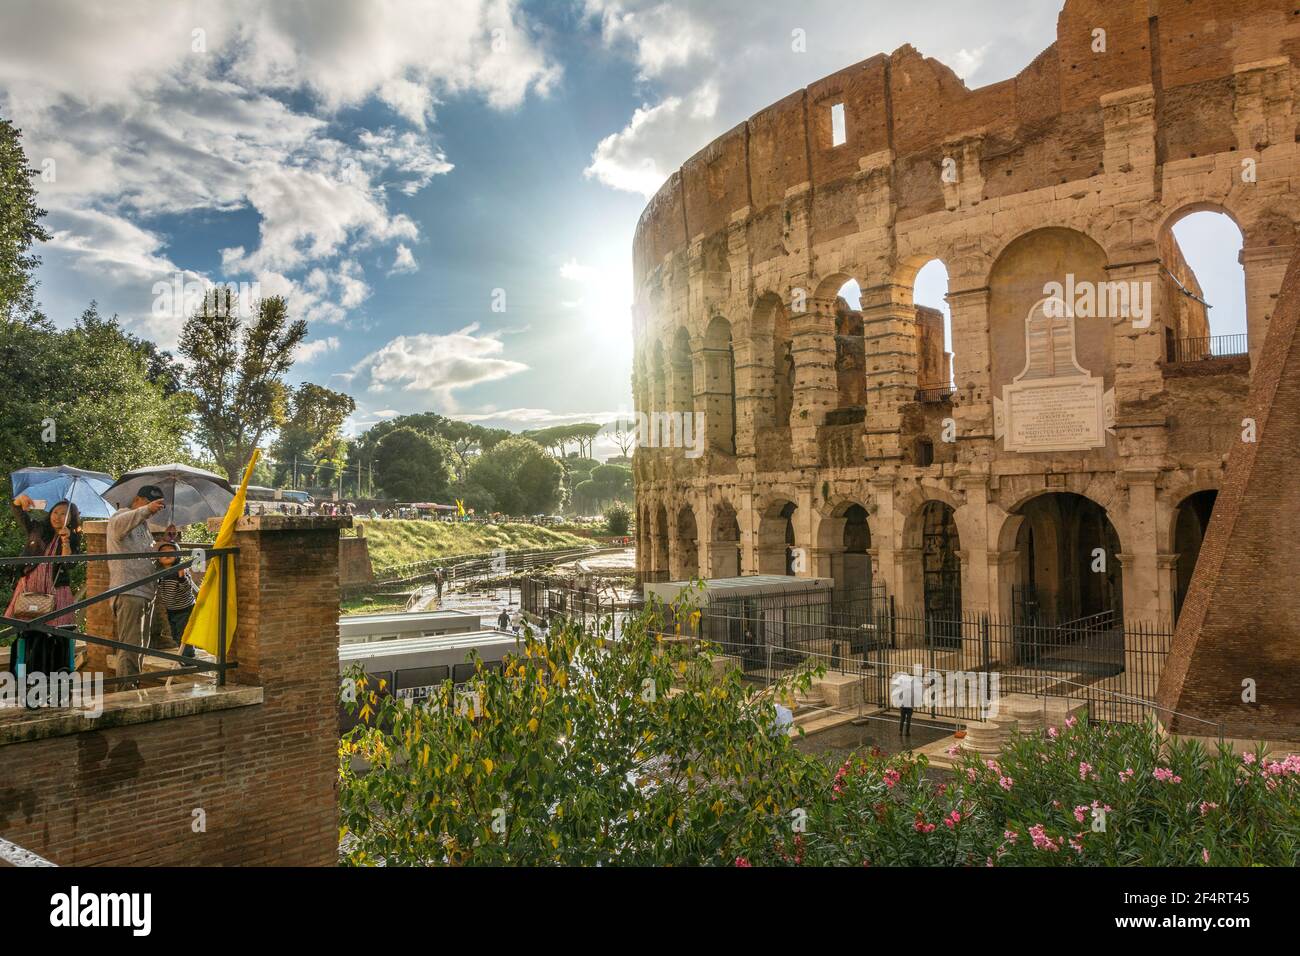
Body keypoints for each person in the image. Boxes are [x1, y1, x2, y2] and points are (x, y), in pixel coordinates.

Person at [5, 495, 82, 697]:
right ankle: (22, 679)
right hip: (30, 587)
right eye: (55, 512)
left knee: (56, 634)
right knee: (27, 632)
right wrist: (17, 501)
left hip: (56, 590)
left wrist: (66, 543)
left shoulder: (73, 537)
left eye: (63, 514)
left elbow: (70, 564)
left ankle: (52, 680)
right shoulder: (38, 529)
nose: (57, 517)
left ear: (71, 518)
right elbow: (19, 514)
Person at [107, 484, 166, 688]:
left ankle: (132, 686)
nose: (153, 508)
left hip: (145, 592)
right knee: (129, 646)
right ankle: (125, 692)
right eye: (149, 502)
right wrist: (147, 510)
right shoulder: (121, 516)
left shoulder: (143, 526)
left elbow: (142, 556)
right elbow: (118, 526)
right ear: (138, 500)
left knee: (140, 646)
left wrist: (159, 552)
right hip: (129, 591)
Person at [153, 542, 197, 660]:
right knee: (175, 634)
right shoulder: (159, 572)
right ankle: (184, 655)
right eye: (164, 553)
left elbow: (187, 588)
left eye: (171, 552)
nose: (167, 554)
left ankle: (188, 658)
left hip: (185, 608)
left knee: (184, 634)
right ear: (158, 558)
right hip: (171, 609)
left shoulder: (180, 570)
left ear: (177, 555)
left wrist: (182, 577)